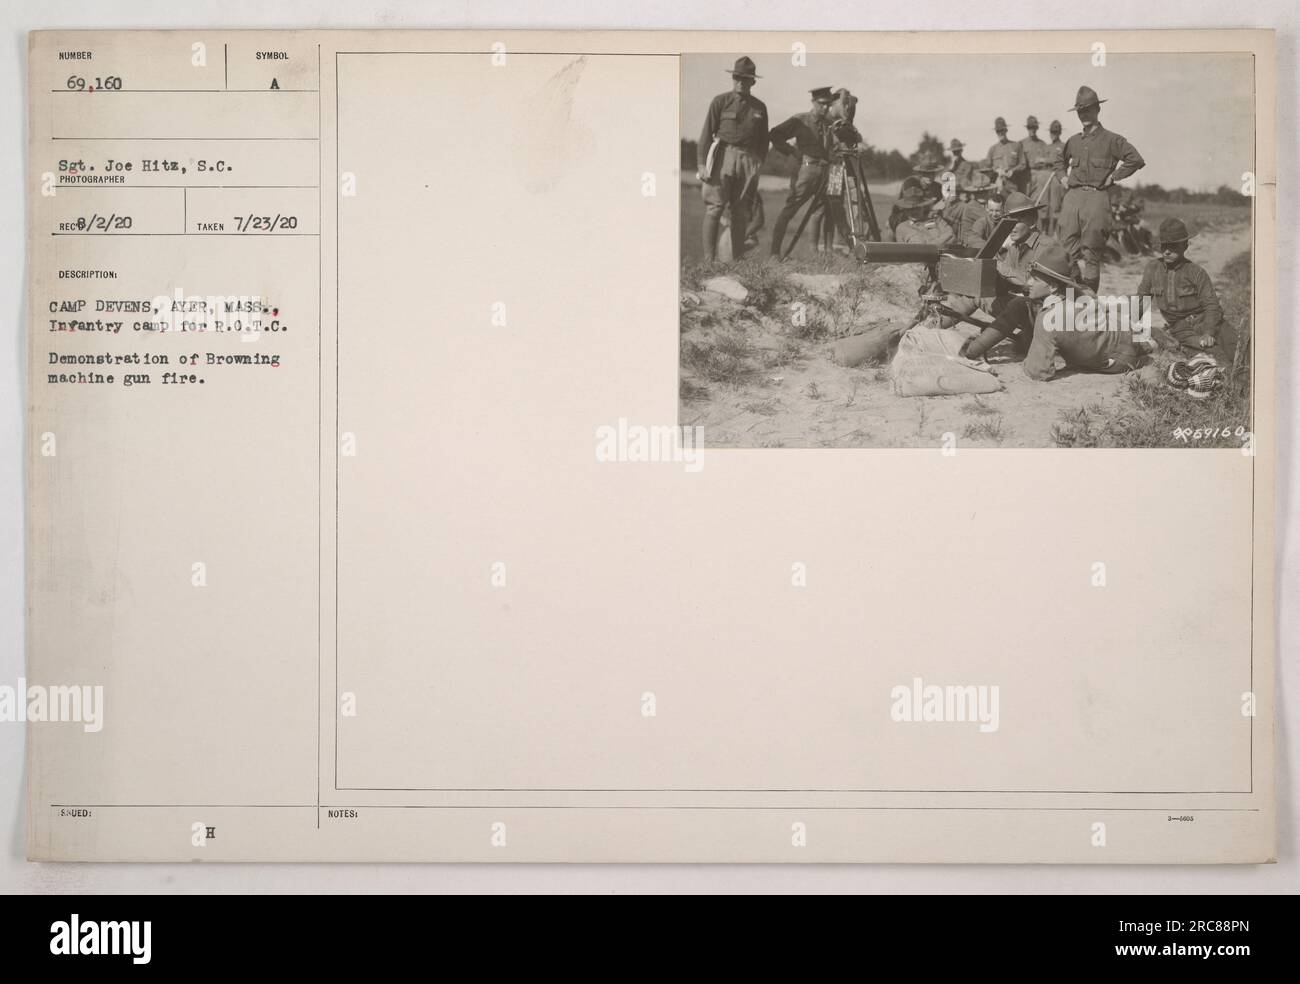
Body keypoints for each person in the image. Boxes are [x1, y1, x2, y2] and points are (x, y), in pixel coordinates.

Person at [1058, 85, 1145, 292]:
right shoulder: (1073, 141)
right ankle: (1070, 297)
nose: (1084, 114)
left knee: (1091, 253)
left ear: (1098, 110)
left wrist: (1114, 177)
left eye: (1088, 109)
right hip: (1072, 198)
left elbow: (1135, 160)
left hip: (1097, 199)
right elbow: (1058, 162)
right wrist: (1062, 178)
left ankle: (1088, 301)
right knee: (1065, 250)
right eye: (1080, 111)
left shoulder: (1112, 140)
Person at [1020, 244, 1142, 380]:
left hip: (1119, 362)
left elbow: (1039, 372)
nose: (1028, 283)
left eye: (1035, 280)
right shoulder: (1083, 291)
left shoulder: (1048, 318)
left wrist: (1027, 362)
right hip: (1126, 336)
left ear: (1053, 287)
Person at [698, 56, 769, 262]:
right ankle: (709, 261)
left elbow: (763, 140)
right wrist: (702, 164)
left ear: (752, 82)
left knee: (740, 212)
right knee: (715, 208)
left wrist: (757, 163)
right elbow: (706, 134)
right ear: (733, 78)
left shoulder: (760, 108)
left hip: (748, 160)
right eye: (737, 77)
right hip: (723, 156)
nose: (740, 82)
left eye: (745, 79)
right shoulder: (720, 101)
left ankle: (736, 260)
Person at [1136, 218, 1235, 363]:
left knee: (1240, 350)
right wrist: (1126, 323)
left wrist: (1209, 332)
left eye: (1173, 246)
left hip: (1208, 322)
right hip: (1182, 330)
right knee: (1215, 357)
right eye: (1164, 246)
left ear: (1185, 246)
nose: (1167, 251)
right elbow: (1140, 302)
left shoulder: (1196, 272)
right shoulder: (1152, 269)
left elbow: (1212, 306)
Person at [768, 86, 837, 258]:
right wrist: (793, 152)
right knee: (790, 210)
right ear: (813, 102)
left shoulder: (829, 124)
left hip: (826, 173)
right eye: (822, 104)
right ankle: (774, 254)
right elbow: (775, 134)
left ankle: (822, 254)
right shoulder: (801, 120)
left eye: (828, 105)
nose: (825, 108)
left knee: (827, 211)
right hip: (806, 172)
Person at [888, 151, 945, 233]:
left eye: (932, 173)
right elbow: (911, 207)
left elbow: (943, 205)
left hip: (924, 217)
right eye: (926, 173)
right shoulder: (911, 183)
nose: (929, 177)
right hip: (903, 216)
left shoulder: (937, 187)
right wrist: (933, 207)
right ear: (920, 173)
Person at [1020, 115, 1054, 228]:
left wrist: (1043, 160)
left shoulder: (1042, 144)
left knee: (1037, 203)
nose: (1032, 130)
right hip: (1025, 176)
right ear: (1027, 128)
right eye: (1030, 128)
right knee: (1024, 203)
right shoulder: (1021, 143)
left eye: (1034, 128)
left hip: (1039, 176)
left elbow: (1050, 161)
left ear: (1037, 128)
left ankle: (1037, 227)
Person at [987, 116, 1027, 194]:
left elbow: (1023, 164)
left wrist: (1013, 171)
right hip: (997, 186)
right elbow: (988, 167)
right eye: (998, 131)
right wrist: (996, 170)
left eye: (1002, 130)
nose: (1000, 133)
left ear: (1006, 130)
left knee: (1014, 204)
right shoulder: (992, 149)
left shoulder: (1016, 146)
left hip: (1013, 185)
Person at [1045, 119, 1067, 235]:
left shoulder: (1064, 146)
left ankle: (1057, 235)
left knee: (1056, 208)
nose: (1053, 134)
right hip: (1046, 181)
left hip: (1057, 180)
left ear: (1059, 133)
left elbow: (1065, 162)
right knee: (1045, 209)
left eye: (1056, 132)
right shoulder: (1046, 147)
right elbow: (1039, 162)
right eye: (1052, 132)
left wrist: (1049, 161)